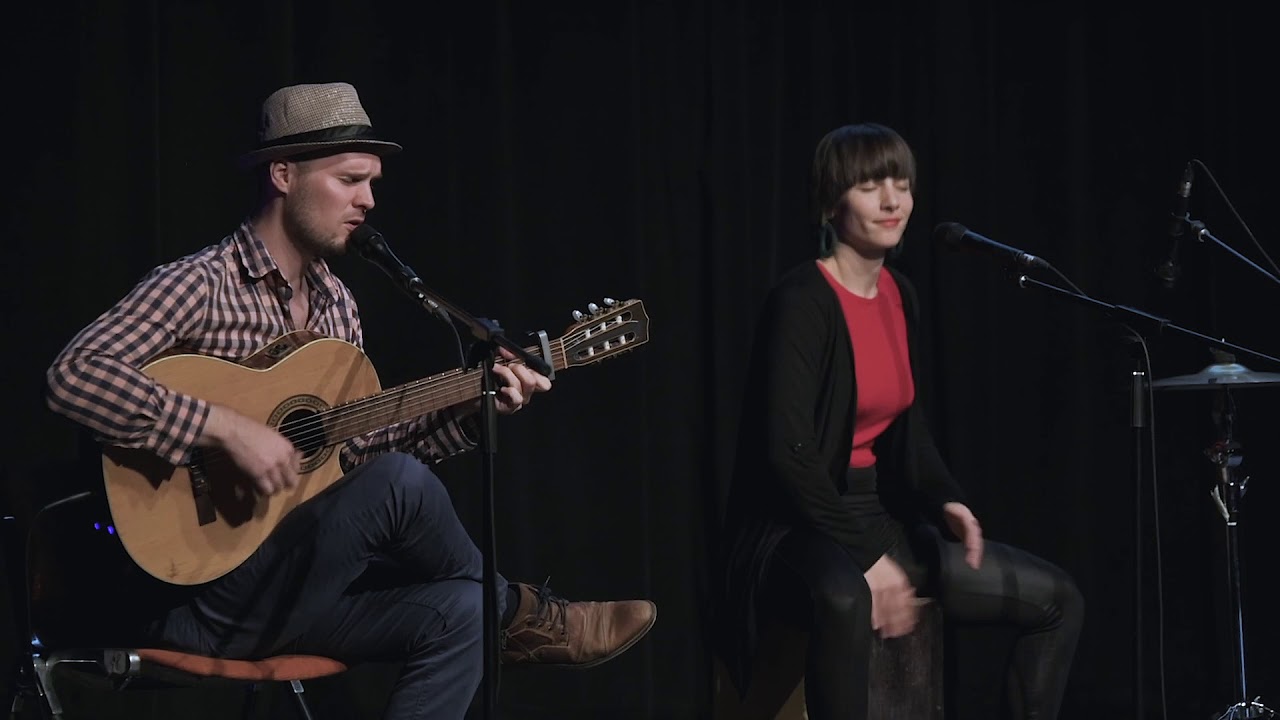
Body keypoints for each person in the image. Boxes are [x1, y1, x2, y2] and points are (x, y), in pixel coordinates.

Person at [44, 82, 656, 719]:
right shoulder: (200, 284)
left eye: (371, 183)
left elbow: (358, 459)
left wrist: (473, 410)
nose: (368, 200)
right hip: (194, 597)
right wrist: (223, 427)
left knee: (462, 609)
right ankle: (526, 616)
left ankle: (498, 611)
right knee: (404, 486)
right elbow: (73, 376)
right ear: (284, 175)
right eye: (349, 180)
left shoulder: (337, 304)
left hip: (296, 589)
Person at [715, 123, 1083, 719]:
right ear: (832, 203)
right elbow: (788, 454)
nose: (892, 201)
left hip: (875, 517)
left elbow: (907, 427)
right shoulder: (801, 301)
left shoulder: (898, 294)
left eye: (902, 185)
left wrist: (946, 499)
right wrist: (866, 558)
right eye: (870, 186)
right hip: (795, 528)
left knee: (1057, 599)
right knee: (845, 598)